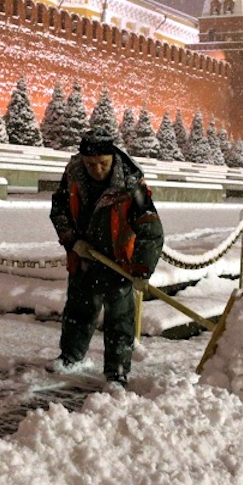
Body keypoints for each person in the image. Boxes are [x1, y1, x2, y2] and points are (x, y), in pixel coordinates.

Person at [49, 126, 164, 385]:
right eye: (91, 164)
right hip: (84, 261)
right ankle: (70, 357)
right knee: (77, 314)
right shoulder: (73, 176)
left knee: (119, 323)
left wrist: (142, 270)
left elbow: (151, 230)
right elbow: (59, 210)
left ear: (113, 157)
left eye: (103, 163)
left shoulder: (131, 185)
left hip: (118, 265)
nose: (97, 170)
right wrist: (72, 240)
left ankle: (117, 372)